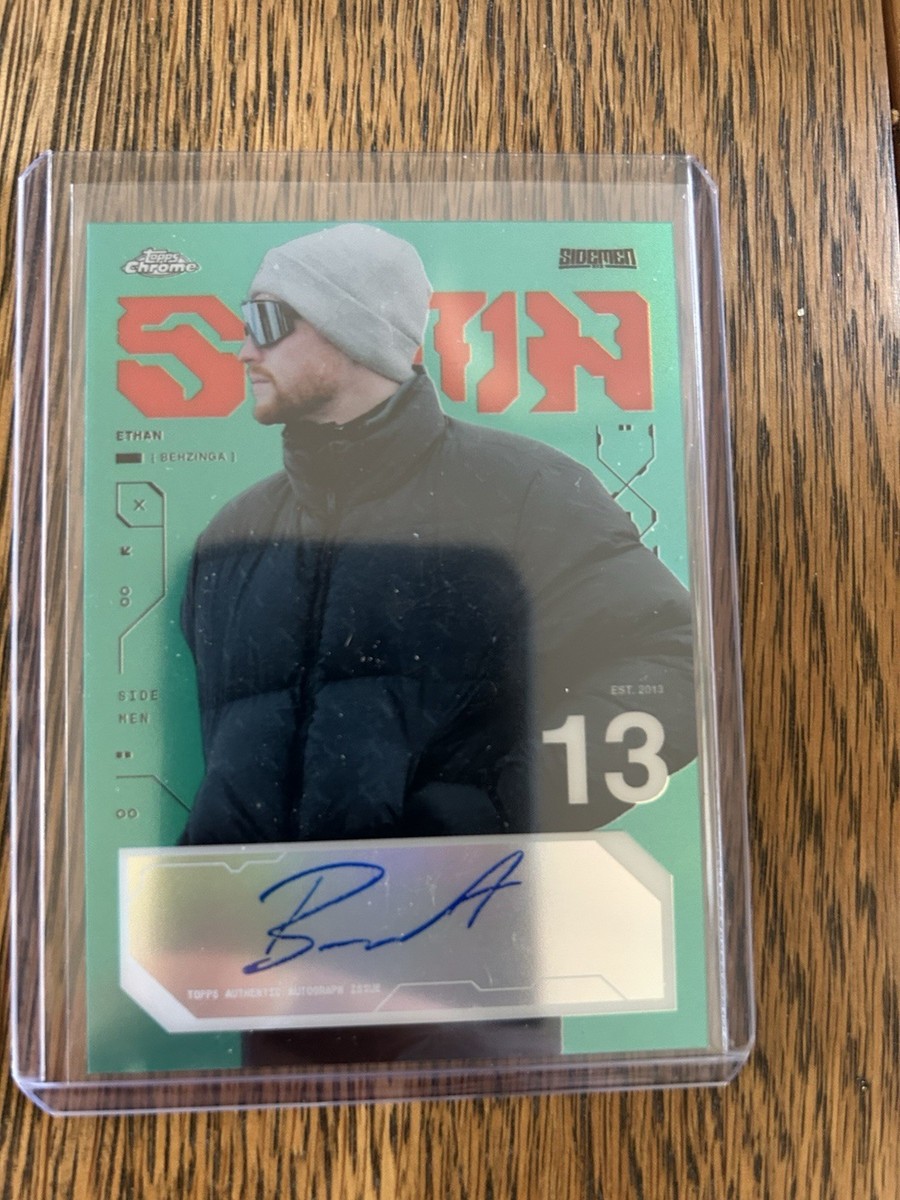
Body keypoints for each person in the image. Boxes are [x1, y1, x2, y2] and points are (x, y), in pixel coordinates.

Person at [178, 222, 697, 849]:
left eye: (265, 321)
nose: (243, 351)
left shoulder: (525, 493)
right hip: (248, 909)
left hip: (460, 902)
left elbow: (679, 665)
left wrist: (493, 809)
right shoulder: (230, 540)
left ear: (352, 327)